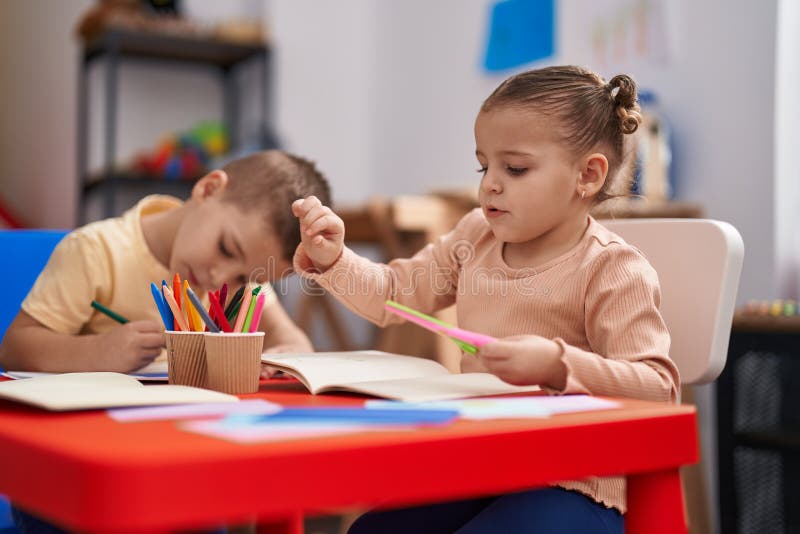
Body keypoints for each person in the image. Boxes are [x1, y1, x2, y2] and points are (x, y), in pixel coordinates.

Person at [291, 66, 679, 534]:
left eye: (514, 168)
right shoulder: (476, 235)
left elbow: (659, 389)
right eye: (484, 165)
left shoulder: (612, 268)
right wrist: (334, 259)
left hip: (579, 485)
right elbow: (394, 294)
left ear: (588, 175)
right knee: (369, 531)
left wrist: (557, 365)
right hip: (485, 467)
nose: (489, 184)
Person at [0, 149, 330, 374]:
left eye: (243, 277)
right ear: (209, 188)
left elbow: (292, 340)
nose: (220, 278)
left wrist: (283, 355)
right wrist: (100, 352)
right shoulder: (94, 252)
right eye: (227, 249)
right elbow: (14, 347)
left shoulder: (239, 283)